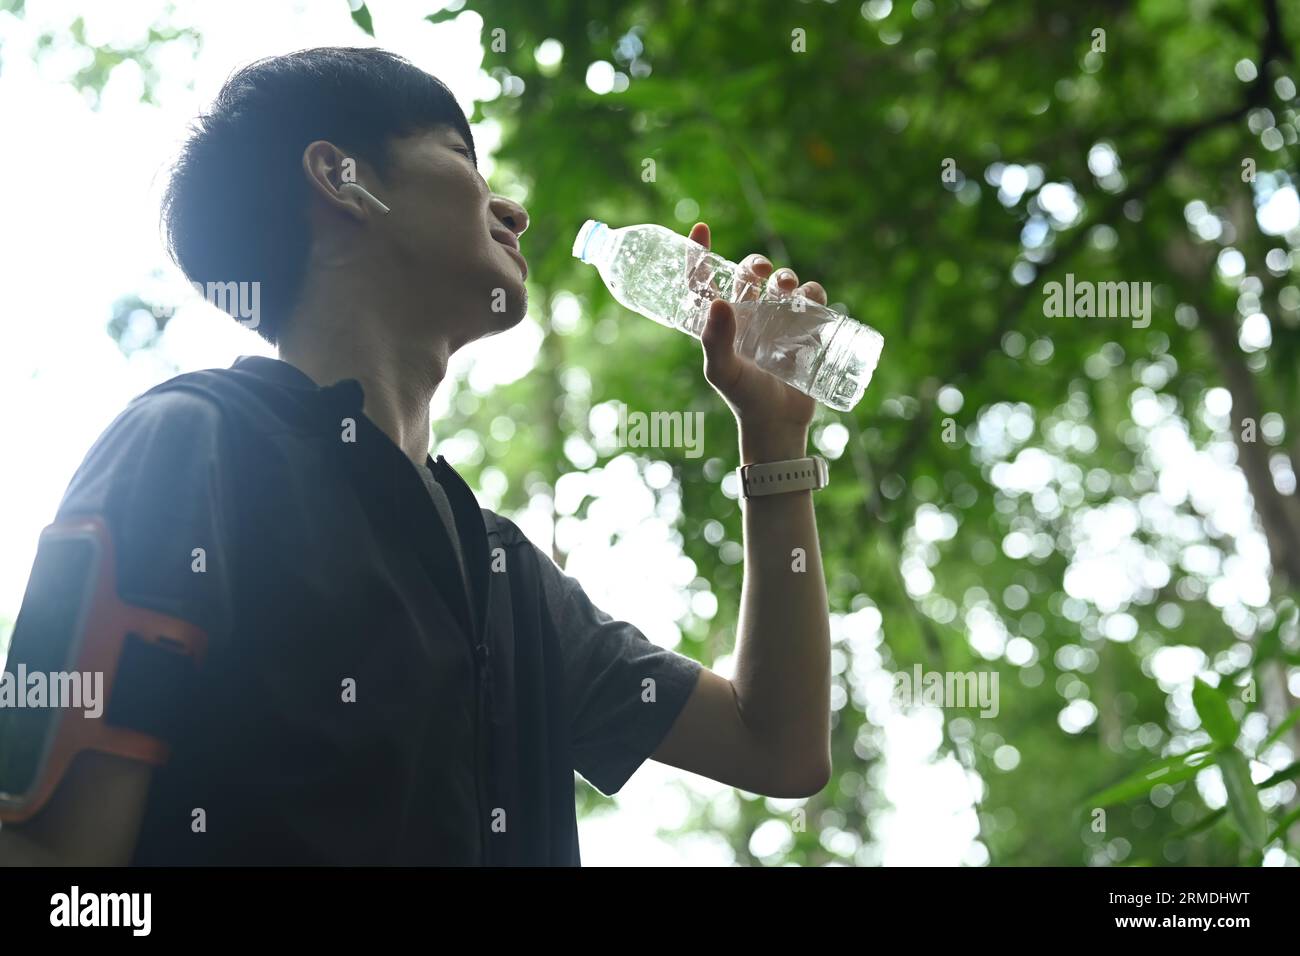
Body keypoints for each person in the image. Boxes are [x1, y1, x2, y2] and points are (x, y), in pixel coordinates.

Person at [0, 46, 832, 866]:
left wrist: (774, 441)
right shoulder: (188, 449)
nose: (513, 210)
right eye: (463, 155)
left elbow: (778, 746)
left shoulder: (507, 577)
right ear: (341, 179)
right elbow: (49, 855)